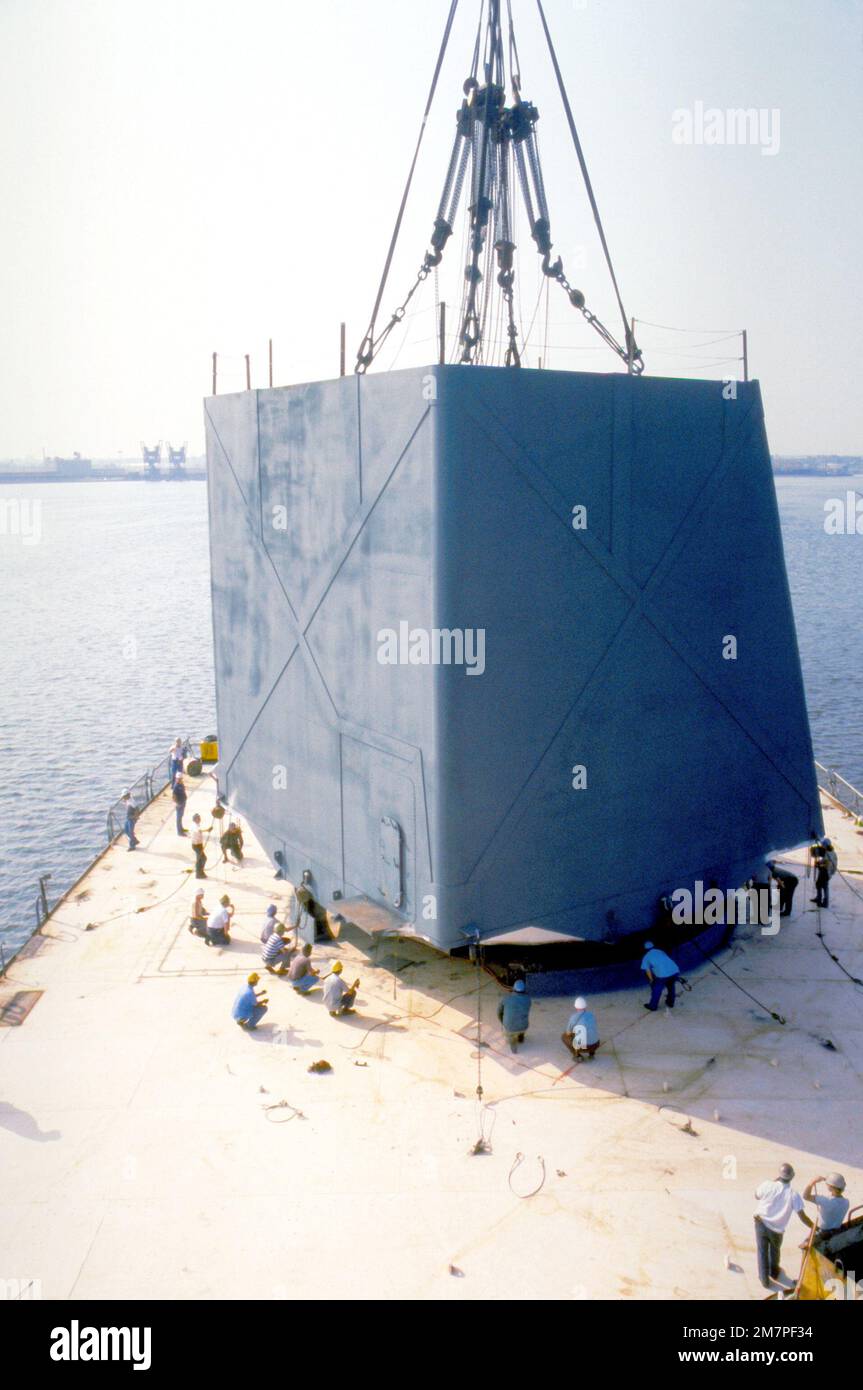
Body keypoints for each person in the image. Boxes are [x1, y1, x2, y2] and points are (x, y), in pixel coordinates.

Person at [753, 1162, 812, 1291]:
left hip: (760, 1222)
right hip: (776, 1230)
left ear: (778, 1175)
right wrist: (813, 1227)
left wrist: (773, 1183)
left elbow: (756, 1195)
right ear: (793, 1177)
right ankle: (774, 1272)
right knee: (775, 1250)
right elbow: (802, 1216)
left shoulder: (767, 1184)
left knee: (762, 1251)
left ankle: (764, 1281)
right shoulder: (793, 1194)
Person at [803, 1173, 849, 1244]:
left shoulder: (825, 1200)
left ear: (831, 1187)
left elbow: (806, 1196)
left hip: (822, 1232)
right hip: (836, 1232)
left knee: (805, 1244)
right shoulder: (846, 1202)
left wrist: (812, 1182)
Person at [640, 941, 680, 1011]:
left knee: (657, 989)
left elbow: (647, 970)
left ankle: (652, 1006)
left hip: (663, 975)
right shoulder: (660, 951)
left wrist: (651, 979)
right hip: (675, 970)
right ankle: (670, 1002)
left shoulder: (646, 957)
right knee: (671, 986)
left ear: (645, 949)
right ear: (653, 946)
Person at [496, 979, 531, 1053]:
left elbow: (498, 1012)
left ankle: (514, 1049)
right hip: (524, 1026)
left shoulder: (506, 998)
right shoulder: (528, 999)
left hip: (510, 1027)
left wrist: (503, 1022)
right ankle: (521, 1038)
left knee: (511, 1035)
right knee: (520, 1021)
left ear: (514, 989)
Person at [562, 996, 600, 1061]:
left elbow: (568, 1033)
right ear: (585, 1006)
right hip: (596, 1044)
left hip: (584, 1047)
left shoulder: (573, 1017)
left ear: (576, 1007)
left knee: (564, 1037)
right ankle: (592, 1053)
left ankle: (577, 1055)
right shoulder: (591, 1015)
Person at [811, 838, 838, 908]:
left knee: (823, 886)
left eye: (823, 845)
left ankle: (824, 902)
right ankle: (818, 898)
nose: (822, 846)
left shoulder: (829, 853)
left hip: (826, 872)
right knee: (819, 884)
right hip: (825, 871)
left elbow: (827, 863)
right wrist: (819, 862)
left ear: (826, 845)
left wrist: (819, 864)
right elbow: (824, 860)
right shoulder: (830, 851)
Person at [190, 814, 209, 879]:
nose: (199, 819)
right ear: (195, 819)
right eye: (198, 818)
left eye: (199, 818)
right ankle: (199, 873)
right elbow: (198, 831)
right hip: (196, 845)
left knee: (201, 859)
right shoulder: (194, 826)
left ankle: (200, 872)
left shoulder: (197, 825)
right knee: (202, 859)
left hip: (199, 845)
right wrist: (207, 830)